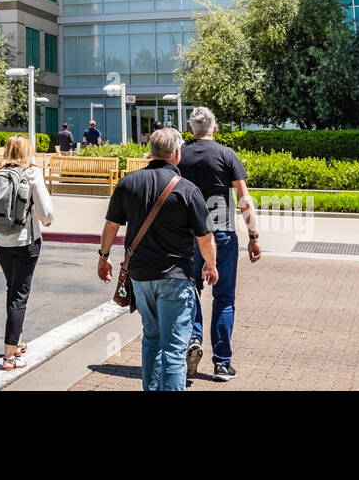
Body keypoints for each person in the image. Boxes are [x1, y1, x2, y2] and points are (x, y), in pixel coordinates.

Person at [97, 127, 216, 391]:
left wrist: (104, 257)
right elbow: (204, 237)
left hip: (140, 277)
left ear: (152, 152)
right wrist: (210, 264)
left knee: (151, 339)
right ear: (176, 153)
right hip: (175, 277)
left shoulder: (128, 182)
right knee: (174, 347)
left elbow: (111, 226)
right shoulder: (187, 189)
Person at [179, 106, 261, 384]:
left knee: (190, 293)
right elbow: (245, 200)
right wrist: (253, 236)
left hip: (188, 237)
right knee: (224, 299)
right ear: (215, 129)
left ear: (190, 129)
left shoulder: (180, 155)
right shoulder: (227, 155)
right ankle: (222, 365)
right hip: (222, 234)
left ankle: (192, 340)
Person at [0, 135, 55, 370]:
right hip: (25, 241)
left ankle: (17, 341)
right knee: (19, 295)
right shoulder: (32, 173)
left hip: (0, 241)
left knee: (12, 288)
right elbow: (46, 212)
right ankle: (9, 357)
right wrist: (44, 221)